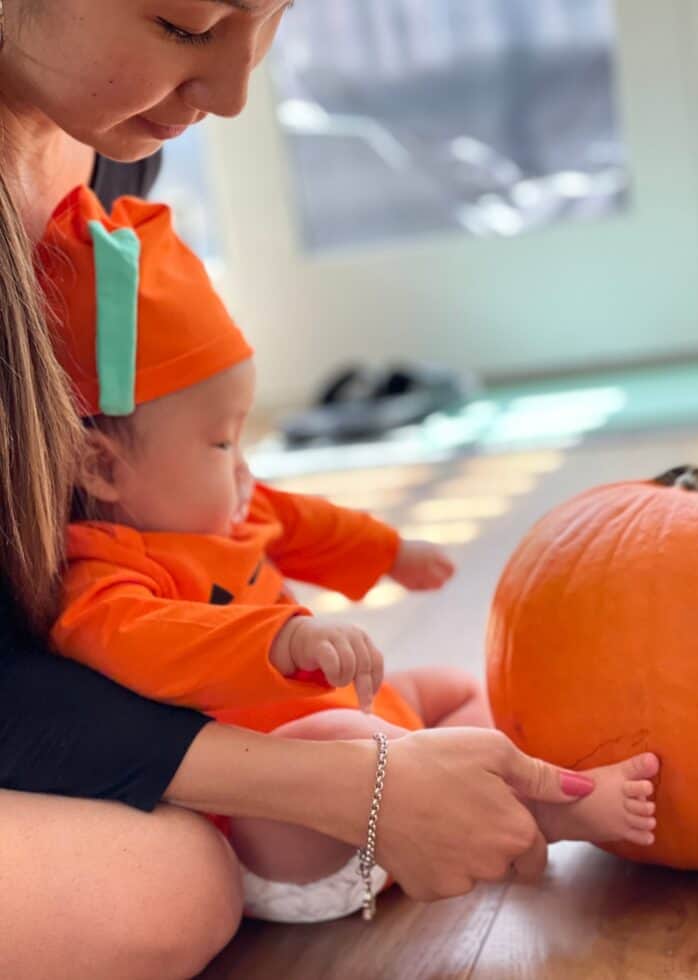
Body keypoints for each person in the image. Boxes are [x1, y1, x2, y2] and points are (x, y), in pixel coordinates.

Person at [0, 1, 656, 976]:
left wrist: (384, 554)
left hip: (82, 716)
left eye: (269, 20)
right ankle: (539, 801)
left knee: (445, 698)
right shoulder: (110, 578)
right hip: (86, 714)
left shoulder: (112, 169)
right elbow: (102, 639)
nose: (234, 96)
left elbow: (287, 516)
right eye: (185, 26)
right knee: (172, 888)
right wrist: (347, 782)